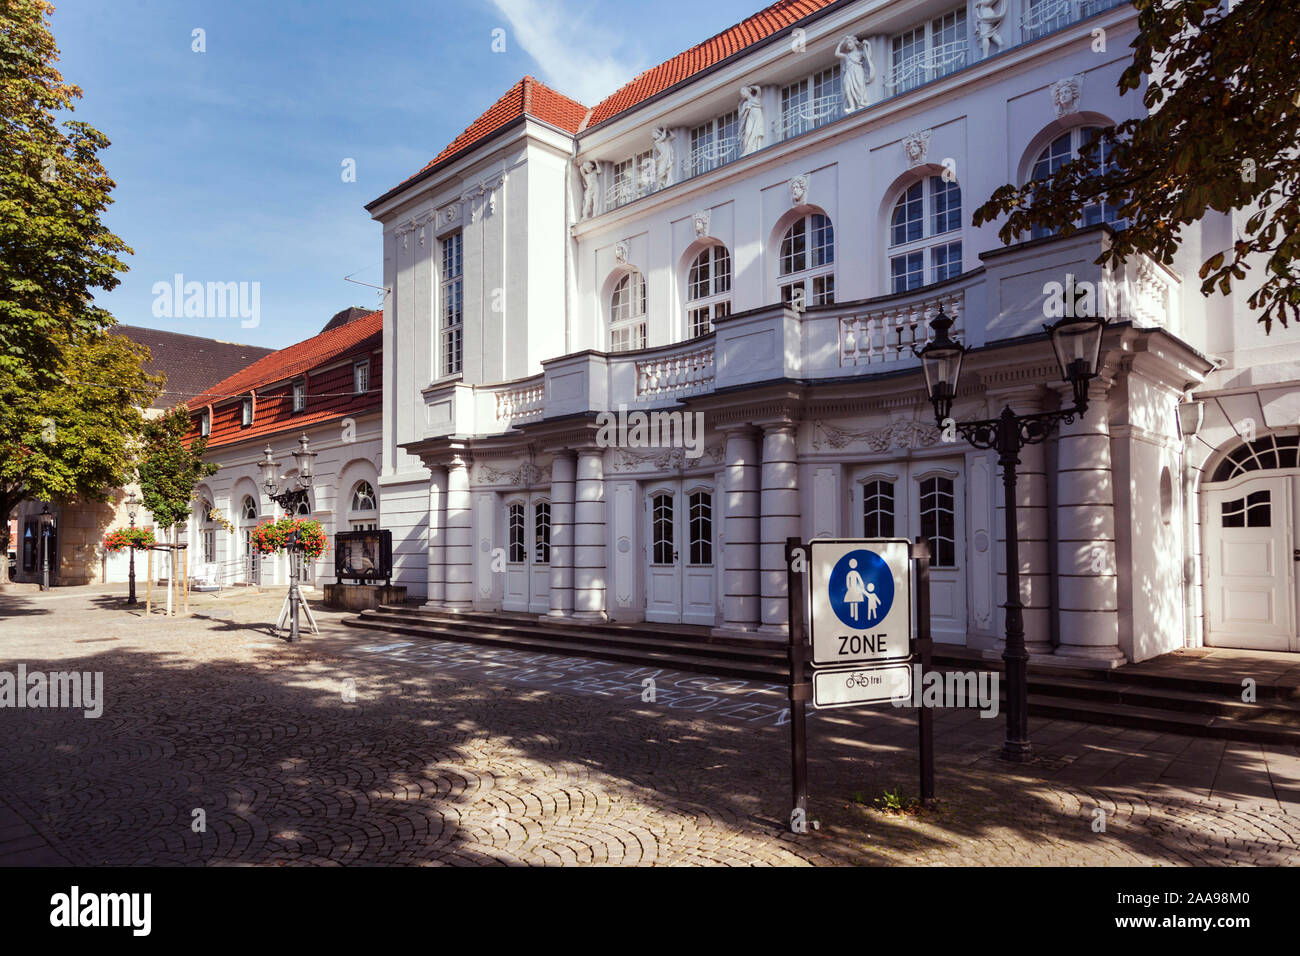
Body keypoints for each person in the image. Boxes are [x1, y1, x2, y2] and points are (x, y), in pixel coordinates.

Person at [836, 35, 874, 113]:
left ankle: (861, 103)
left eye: (850, 43)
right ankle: (852, 106)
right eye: (847, 45)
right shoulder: (847, 55)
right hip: (849, 72)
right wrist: (842, 42)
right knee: (847, 89)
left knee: (859, 87)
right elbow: (837, 53)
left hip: (857, 71)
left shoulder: (860, 53)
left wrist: (868, 45)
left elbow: (868, 56)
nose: (848, 46)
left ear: (854, 43)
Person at [739, 85, 764, 156]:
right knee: (747, 132)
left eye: (743, 91)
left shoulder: (756, 98)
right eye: (741, 93)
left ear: (748, 91)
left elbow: (758, 89)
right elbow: (741, 114)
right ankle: (747, 150)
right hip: (750, 117)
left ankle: (752, 149)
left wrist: (753, 87)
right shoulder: (745, 103)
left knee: (755, 132)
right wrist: (746, 109)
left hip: (757, 116)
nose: (742, 94)